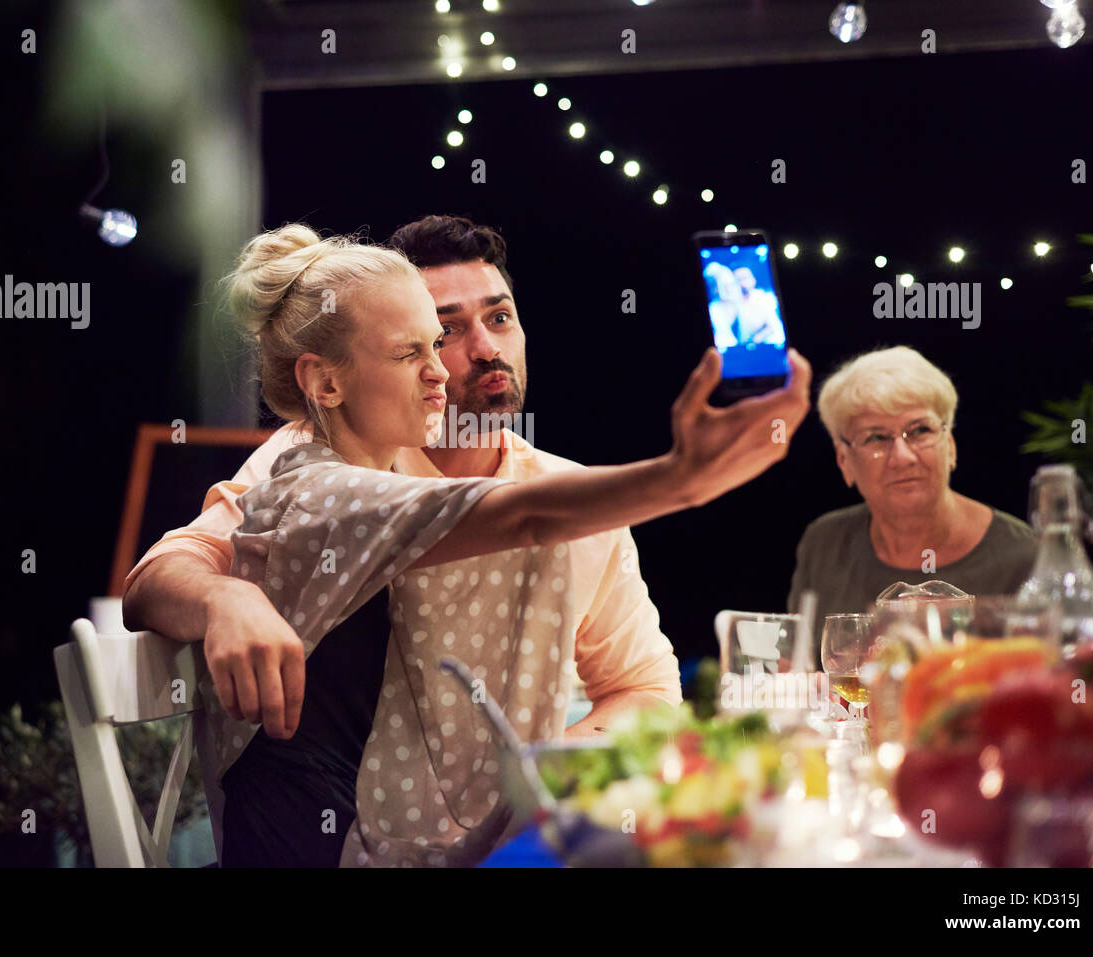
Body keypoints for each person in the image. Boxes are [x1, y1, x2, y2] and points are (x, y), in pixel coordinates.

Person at [122, 216, 811, 866]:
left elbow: (642, 686)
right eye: (438, 334)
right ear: (326, 380)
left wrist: (537, 779)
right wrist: (224, 598)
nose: (477, 352)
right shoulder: (315, 469)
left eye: (498, 318)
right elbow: (161, 573)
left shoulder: (563, 488)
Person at [787, 346, 1036, 617]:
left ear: (950, 446)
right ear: (844, 460)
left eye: (920, 431)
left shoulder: (1025, 557)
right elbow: (800, 644)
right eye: (876, 438)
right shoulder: (824, 545)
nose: (903, 457)